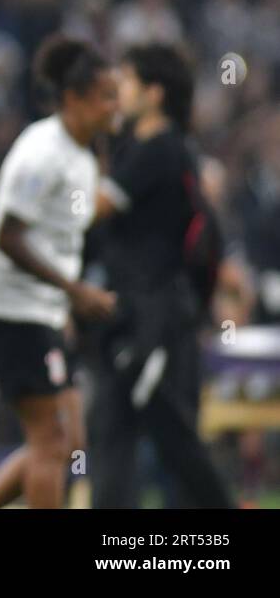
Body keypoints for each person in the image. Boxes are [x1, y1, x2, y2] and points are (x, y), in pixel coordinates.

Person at [0, 35, 119, 509]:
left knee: (68, 442)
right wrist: (74, 291)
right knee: (51, 442)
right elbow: (5, 236)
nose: (115, 108)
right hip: (11, 313)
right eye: (105, 98)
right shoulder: (42, 152)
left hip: (42, 313)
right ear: (73, 99)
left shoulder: (82, 153)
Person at [86, 43, 234, 507]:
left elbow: (95, 207)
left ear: (154, 93)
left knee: (174, 438)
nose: (117, 92)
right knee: (110, 434)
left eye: (126, 82)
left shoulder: (163, 149)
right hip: (125, 315)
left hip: (157, 318)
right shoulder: (140, 147)